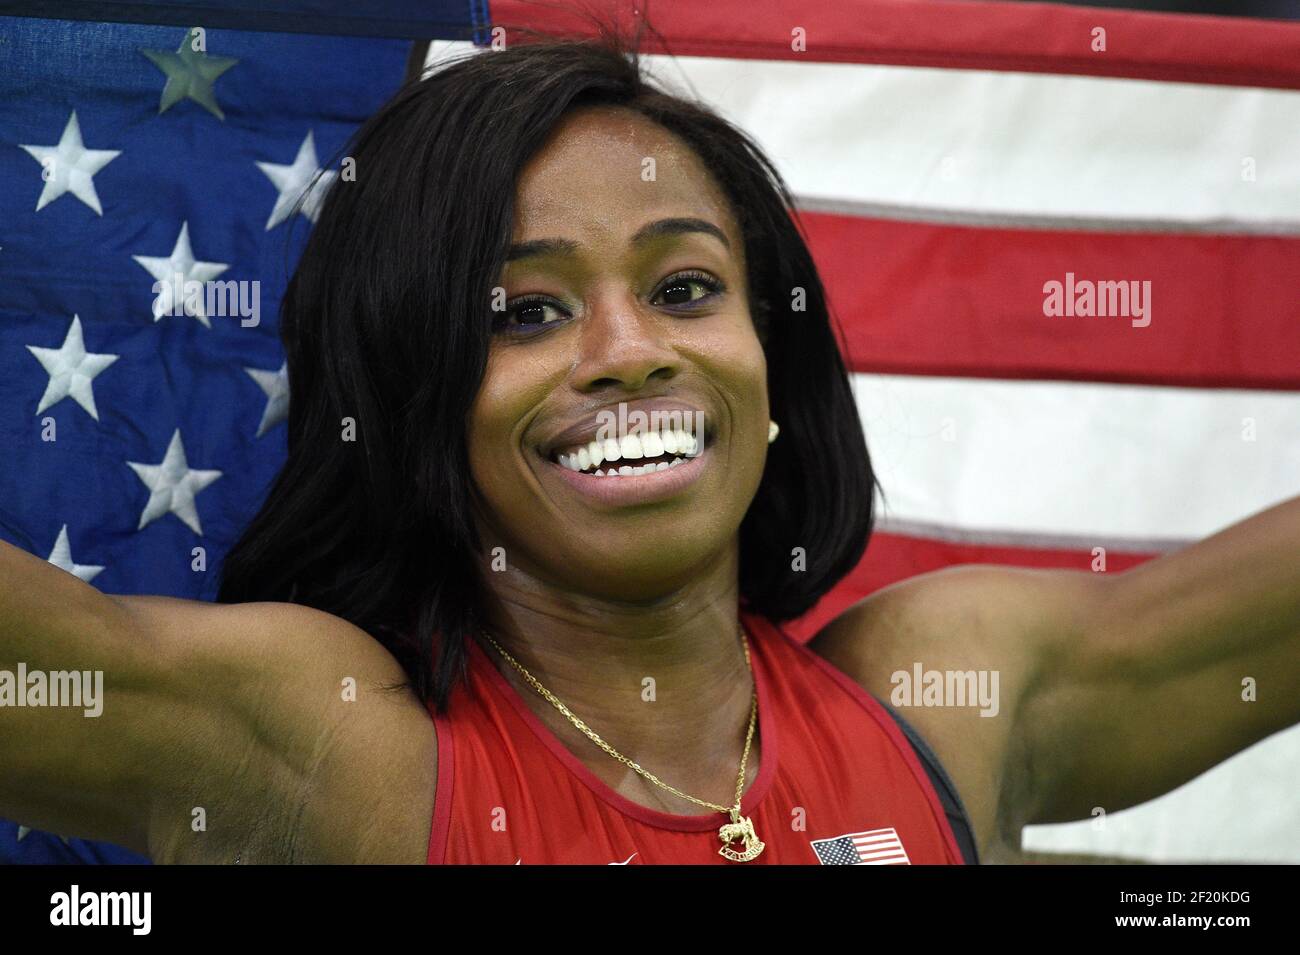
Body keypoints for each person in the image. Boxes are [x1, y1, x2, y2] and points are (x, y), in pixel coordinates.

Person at [2, 35, 1297, 866]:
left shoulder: (942, 702)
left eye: (685, 289)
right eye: (526, 311)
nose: (630, 351)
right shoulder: (340, 754)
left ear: (770, 359)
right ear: (410, 395)